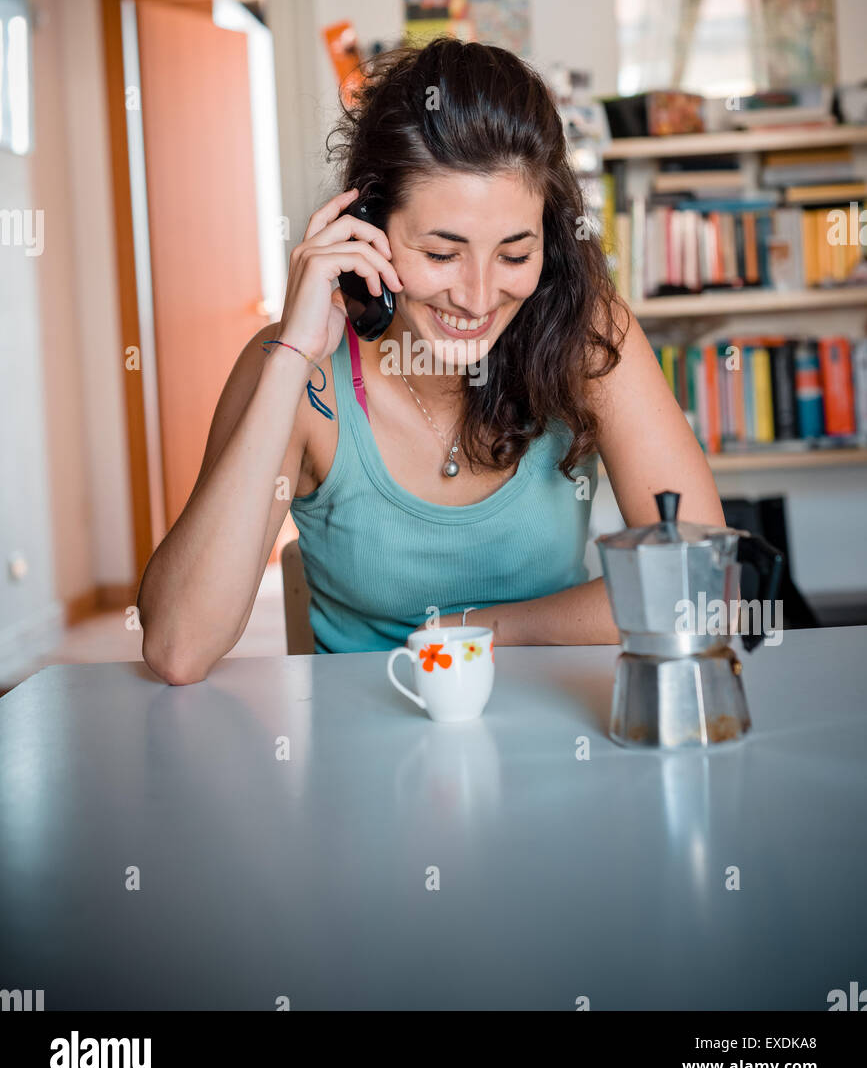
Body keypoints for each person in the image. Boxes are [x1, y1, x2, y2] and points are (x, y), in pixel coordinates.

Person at [138, 38, 725, 682]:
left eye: (514, 254)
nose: (477, 298)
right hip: (366, 752)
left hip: (552, 733)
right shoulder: (298, 371)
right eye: (442, 255)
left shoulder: (586, 334)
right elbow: (176, 648)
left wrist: (484, 630)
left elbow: (701, 587)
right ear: (366, 226)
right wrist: (293, 355)